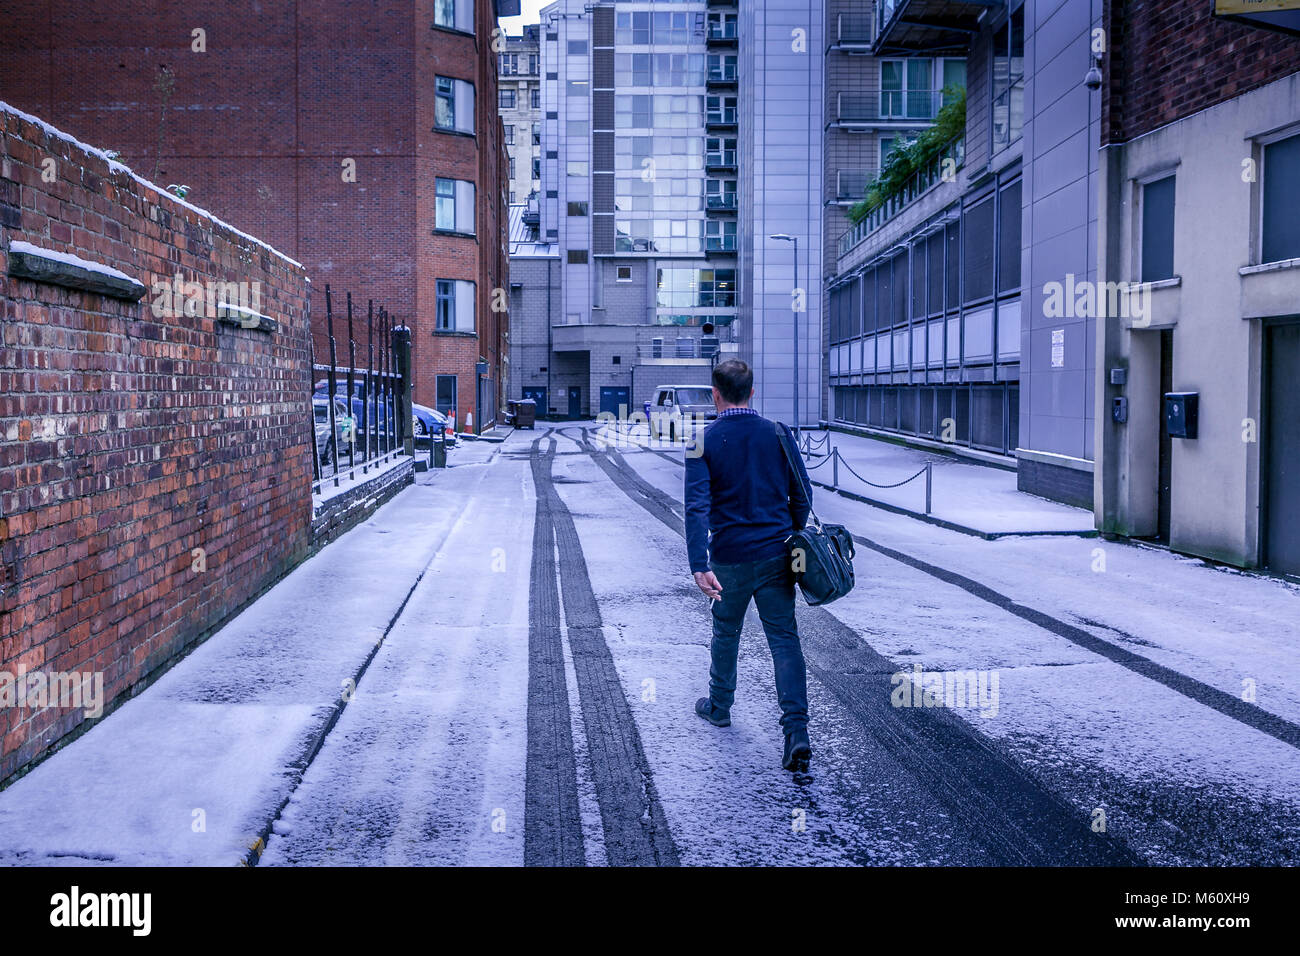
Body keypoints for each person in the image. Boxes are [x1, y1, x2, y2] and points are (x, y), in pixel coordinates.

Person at [684, 359, 813, 773]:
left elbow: (696, 507)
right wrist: (788, 532)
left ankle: (719, 705)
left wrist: (698, 563)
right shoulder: (777, 433)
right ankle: (796, 731)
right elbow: (803, 494)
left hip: (729, 558)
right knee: (784, 640)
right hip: (777, 556)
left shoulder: (702, 441)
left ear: (715, 394)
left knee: (726, 631)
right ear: (752, 393)